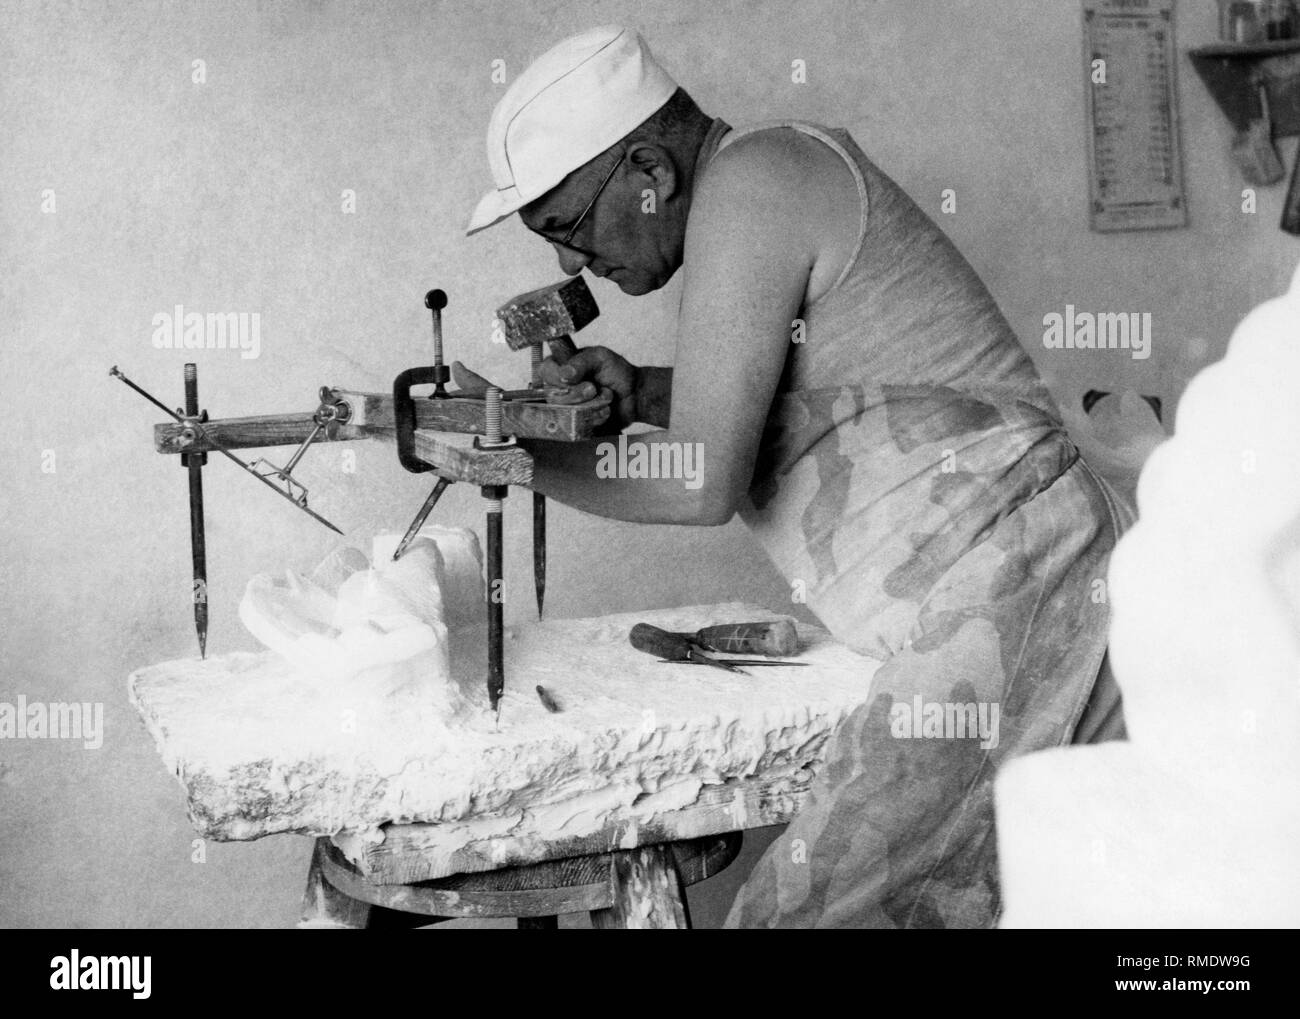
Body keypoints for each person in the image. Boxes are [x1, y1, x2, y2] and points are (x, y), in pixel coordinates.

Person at [462, 25, 1125, 928]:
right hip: (1019, 573)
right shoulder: (759, 182)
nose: (571, 265)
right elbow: (830, 395)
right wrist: (644, 392)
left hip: (1026, 576)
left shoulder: (754, 184)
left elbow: (699, 481)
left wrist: (520, 454)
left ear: (650, 170)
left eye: (566, 229)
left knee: (808, 915)